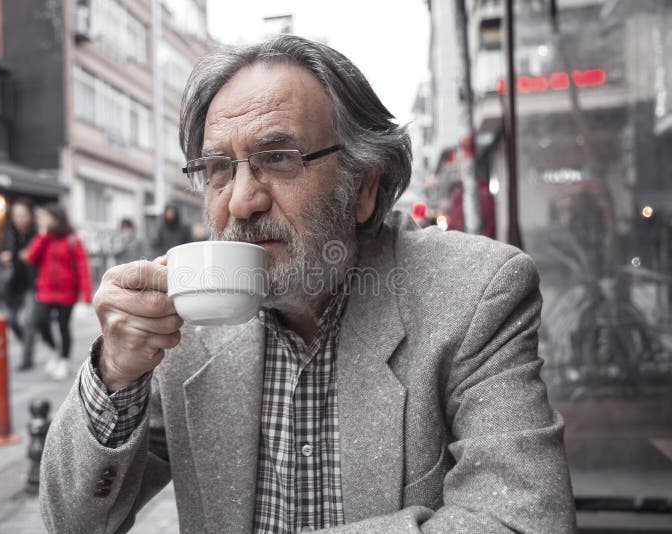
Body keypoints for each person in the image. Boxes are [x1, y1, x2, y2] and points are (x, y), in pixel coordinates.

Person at [40, 36, 575, 533]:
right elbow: (74, 523)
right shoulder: (189, 318)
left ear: (363, 187)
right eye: (220, 168)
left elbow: (524, 520)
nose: (242, 202)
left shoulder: (474, 292)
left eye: (278, 158)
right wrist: (116, 373)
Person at [19, 204, 93, 380]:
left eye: (47, 217)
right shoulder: (44, 238)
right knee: (39, 322)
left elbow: (83, 268)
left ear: (57, 218)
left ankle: (64, 360)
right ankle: (55, 350)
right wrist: (42, 236)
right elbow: (32, 257)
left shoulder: (72, 239)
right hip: (46, 291)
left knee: (63, 327)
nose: (43, 220)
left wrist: (86, 298)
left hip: (67, 293)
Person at [0, 198, 55, 352]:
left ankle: (27, 357)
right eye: (16, 215)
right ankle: (28, 343)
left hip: (33, 283)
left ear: (30, 215)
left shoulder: (38, 233)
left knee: (30, 320)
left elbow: (43, 255)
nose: (19, 219)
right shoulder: (10, 232)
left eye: (22, 215)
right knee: (10, 319)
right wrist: (5, 256)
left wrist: (29, 255)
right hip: (15, 283)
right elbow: (5, 251)